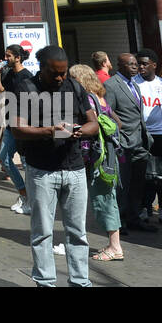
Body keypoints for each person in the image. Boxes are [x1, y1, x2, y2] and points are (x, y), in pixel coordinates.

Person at [12, 45, 99, 287]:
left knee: (77, 233)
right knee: (42, 232)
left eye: (63, 73)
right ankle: (45, 282)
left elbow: (94, 123)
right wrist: (49, 131)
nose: (60, 78)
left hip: (75, 170)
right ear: (42, 68)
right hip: (42, 171)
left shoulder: (74, 86)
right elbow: (17, 128)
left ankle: (81, 282)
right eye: (55, 73)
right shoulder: (25, 87)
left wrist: (79, 132)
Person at [69, 64, 123, 262]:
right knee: (107, 197)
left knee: (104, 199)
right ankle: (112, 244)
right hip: (108, 156)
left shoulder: (88, 99)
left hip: (96, 158)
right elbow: (119, 123)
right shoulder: (101, 97)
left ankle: (115, 247)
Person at [102, 52, 152, 234]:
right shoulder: (111, 85)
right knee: (122, 184)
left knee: (138, 183)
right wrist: (119, 134)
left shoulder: (135, 85)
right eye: (131, 64)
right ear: (120, 65)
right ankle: (119, 221)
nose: (135, 67)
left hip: (140, 141)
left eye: (136, 64)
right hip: (123, 143)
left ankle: (134, 217)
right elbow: (107, 112)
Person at [136, 50, 162, 226]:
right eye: (138, 63)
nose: (140, 67)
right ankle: (144, 209)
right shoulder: (133, 84)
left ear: (154, 65)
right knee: (144, 175)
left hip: (160, 135)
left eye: (144, 63)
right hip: (141, 135)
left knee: (160, 175)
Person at [0, 45, 34, 214]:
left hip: (23, 125)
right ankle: (24, 194)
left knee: (27, 163)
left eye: (8, 55)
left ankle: (32, 201)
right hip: (11, 124)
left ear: (18, 58)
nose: (6, 58)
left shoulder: (27, 77)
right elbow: (2, 91)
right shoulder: (10, 74)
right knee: (4, 158)